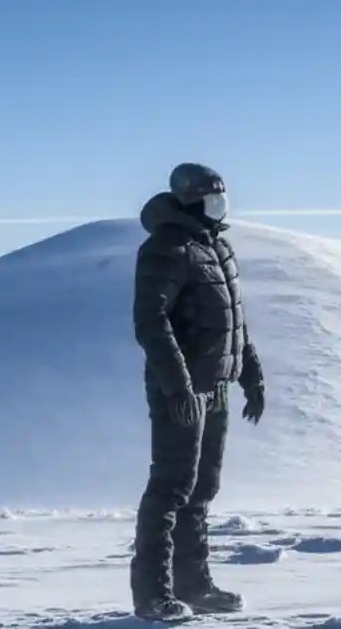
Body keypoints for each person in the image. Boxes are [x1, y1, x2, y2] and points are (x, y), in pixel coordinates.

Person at [129, 162, 267, 621]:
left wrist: (251, 375)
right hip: (180, 393)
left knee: (202, 490)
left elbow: (233, 320)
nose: (220, 204)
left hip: (217, 388)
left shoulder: (216, 246)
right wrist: (178, 386)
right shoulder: (165, 248)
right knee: (171, 488)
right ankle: (153, 594)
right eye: (212, 196)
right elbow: (151, 322)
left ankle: (194, 585)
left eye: (222, 196)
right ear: (189, 199)